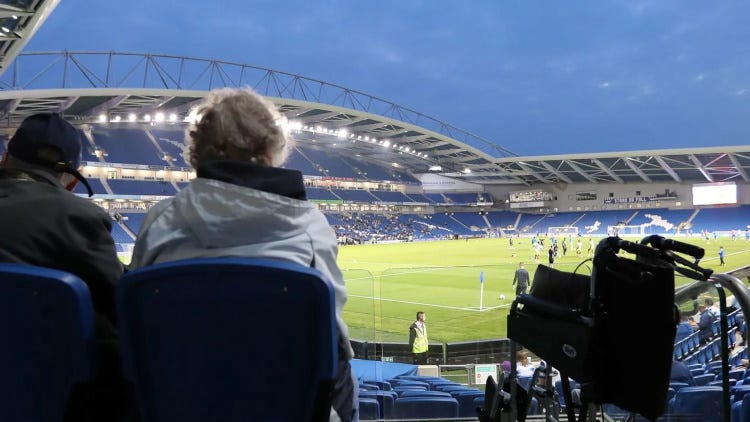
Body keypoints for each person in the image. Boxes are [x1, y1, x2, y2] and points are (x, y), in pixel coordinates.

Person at [128, 88, 357, 422]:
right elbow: (333, 340)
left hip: (180, 403)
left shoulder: (158, 222)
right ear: (270, 148)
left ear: (196, 151)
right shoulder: (310, 227)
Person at [0, 113, 134, 420]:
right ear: (72, 181)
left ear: (5, 158)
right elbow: (121, 301)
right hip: (58, 394)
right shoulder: (77, 216)